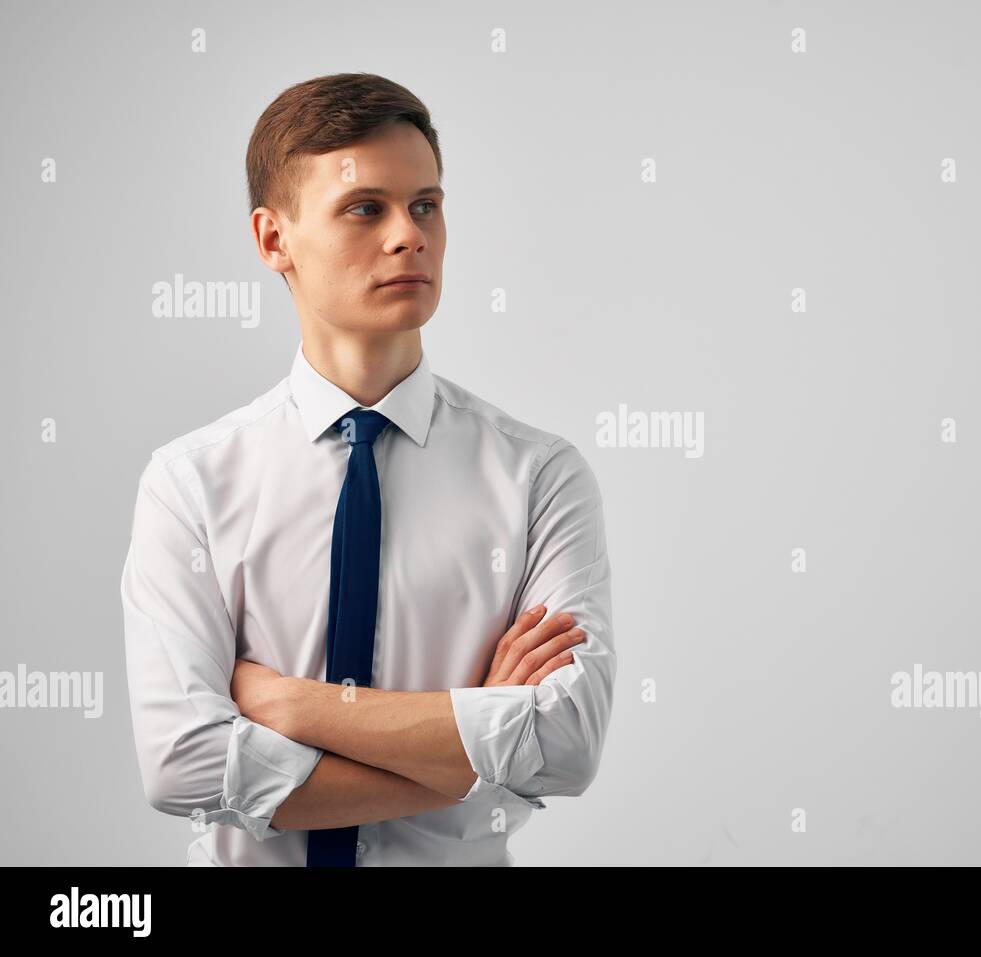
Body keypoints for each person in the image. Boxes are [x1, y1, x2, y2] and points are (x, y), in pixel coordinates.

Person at [119, 73, 615, 866]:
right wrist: (472, 740)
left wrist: (290, 705)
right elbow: (181, 761)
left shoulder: (539, 477)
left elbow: (565, 742)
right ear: (273, 239)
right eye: (365, 208)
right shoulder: (190, 484)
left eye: (426, 205)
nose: (408, 235)